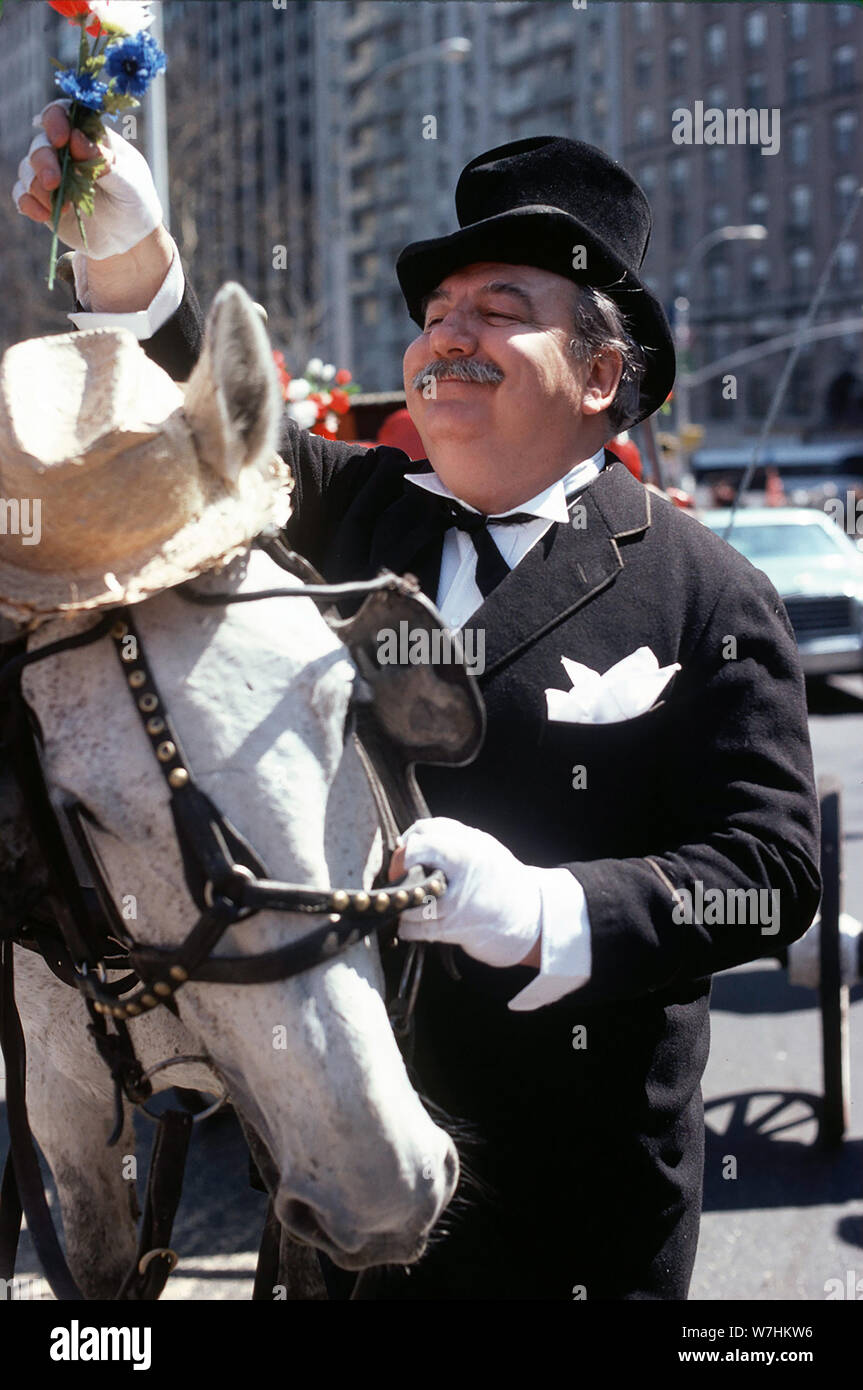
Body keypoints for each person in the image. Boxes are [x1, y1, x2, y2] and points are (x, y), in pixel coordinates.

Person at [14, 110, 821, 1301]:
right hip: (333, 1182)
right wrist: (131, 251)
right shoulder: (352, 510)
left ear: (602, 372)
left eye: (498, 309)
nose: (449, 336)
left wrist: (553, 909)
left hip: (572, 1206)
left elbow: (770, 868)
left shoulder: (703, 589)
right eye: (436, 316)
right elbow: (208, 426)